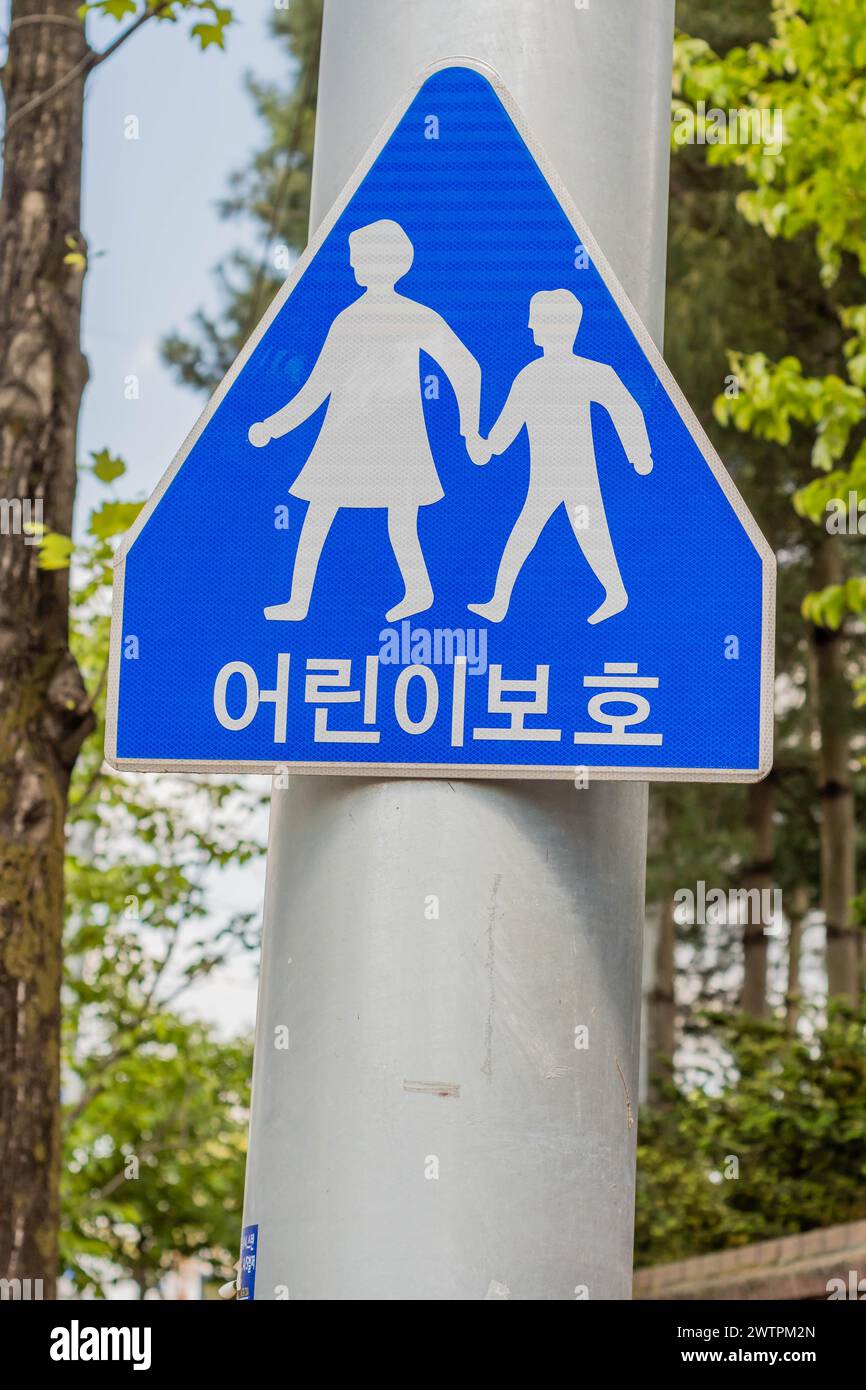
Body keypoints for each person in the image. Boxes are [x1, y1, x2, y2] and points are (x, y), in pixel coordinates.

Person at [249, 219, 483, 622]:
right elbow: (317, 388)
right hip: (349, 438)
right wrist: (274, 425)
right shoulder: (352, 320)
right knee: (330, 515)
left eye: (360, 258)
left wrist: (470, 430)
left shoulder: (405, 317)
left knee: (373, 519)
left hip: (389, 439)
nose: (354, 266)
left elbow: (466, 368)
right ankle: (299, 602)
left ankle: (418, 592)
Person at [467, 288, 653, 625]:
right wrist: (484, 446)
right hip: (546, 480)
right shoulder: (530, 376)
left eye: (536, 323)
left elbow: (626, 408)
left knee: (586, 530)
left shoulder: (586, 372)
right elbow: (506, 429)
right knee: (530, 532)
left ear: (553, 327)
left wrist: (639, 453)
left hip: (577, 480)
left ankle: (615, 593)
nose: (530, 329)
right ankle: (499, 602)